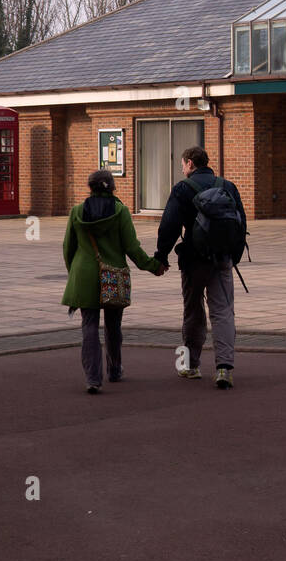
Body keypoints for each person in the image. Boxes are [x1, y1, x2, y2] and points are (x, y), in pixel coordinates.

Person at [62, 169, 166, 394]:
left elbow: (68, 248)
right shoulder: (120, 211)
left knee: (89, 326)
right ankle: (115, 368)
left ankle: (92, 378)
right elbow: (132, 247)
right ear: (112, 187)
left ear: (90, 187)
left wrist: (75, 274)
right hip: (113, 275)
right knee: (113, 325)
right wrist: (153, 266)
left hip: (84, 275)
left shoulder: (77, 211)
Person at [155, 146, 246, 389]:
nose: (182, 168)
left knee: (193, 311)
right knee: (223, 311)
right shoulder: (227, 186)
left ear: (190, 164)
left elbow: (170, 225)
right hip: (222, 259)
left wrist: (161, 256)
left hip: (194, 260)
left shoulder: (183, 188)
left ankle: (191, 366)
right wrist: (233, 256)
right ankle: (224, 368)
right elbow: (241, 223)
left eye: (183, 164)